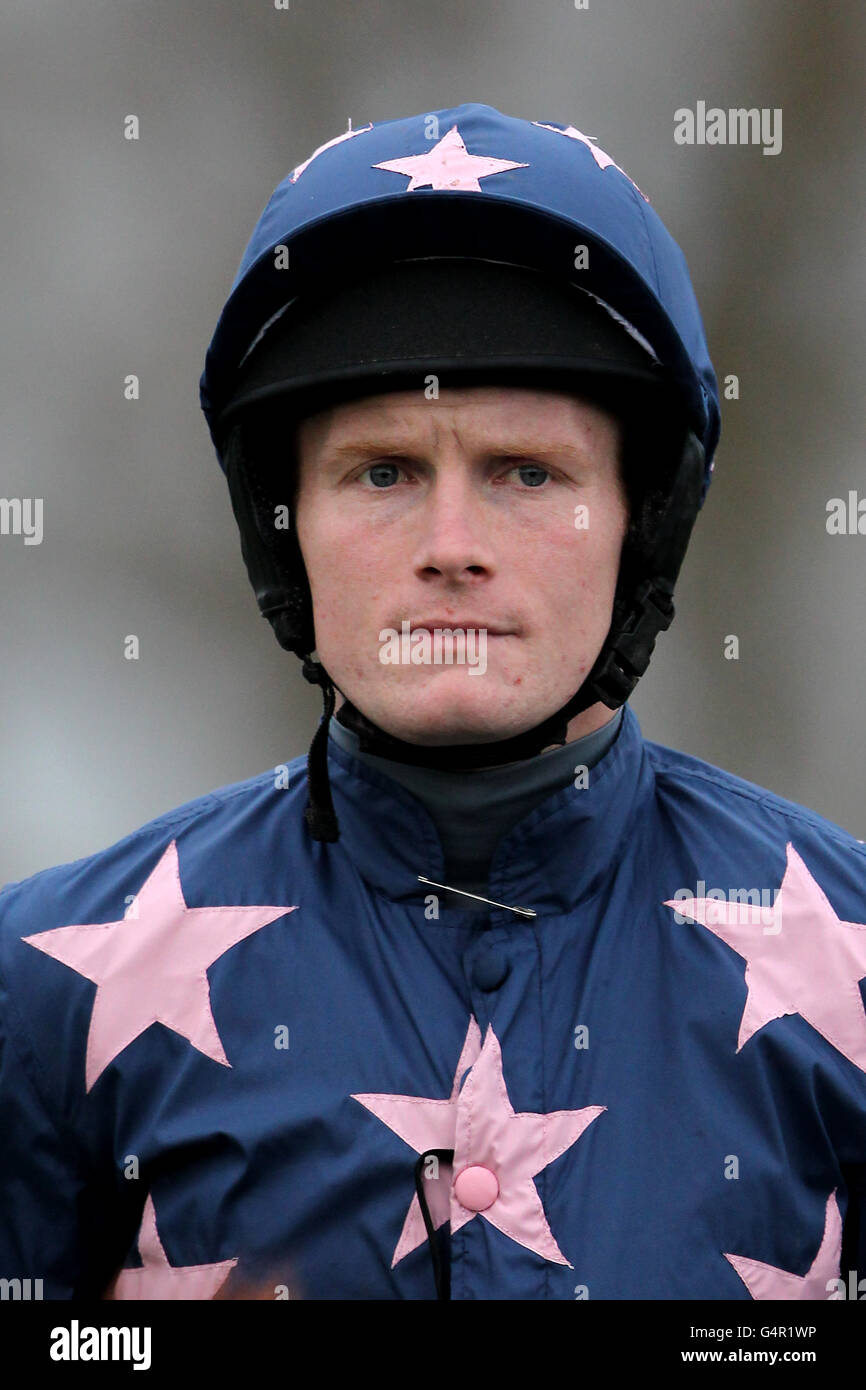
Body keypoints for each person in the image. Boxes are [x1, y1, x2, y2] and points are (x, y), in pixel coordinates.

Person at [1, 102, 864, 1302]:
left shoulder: (851, 970)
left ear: (642, 519)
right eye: (383, 471)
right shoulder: (47, 985)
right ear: (283, 526)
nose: (449, 547)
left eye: (526, 472)